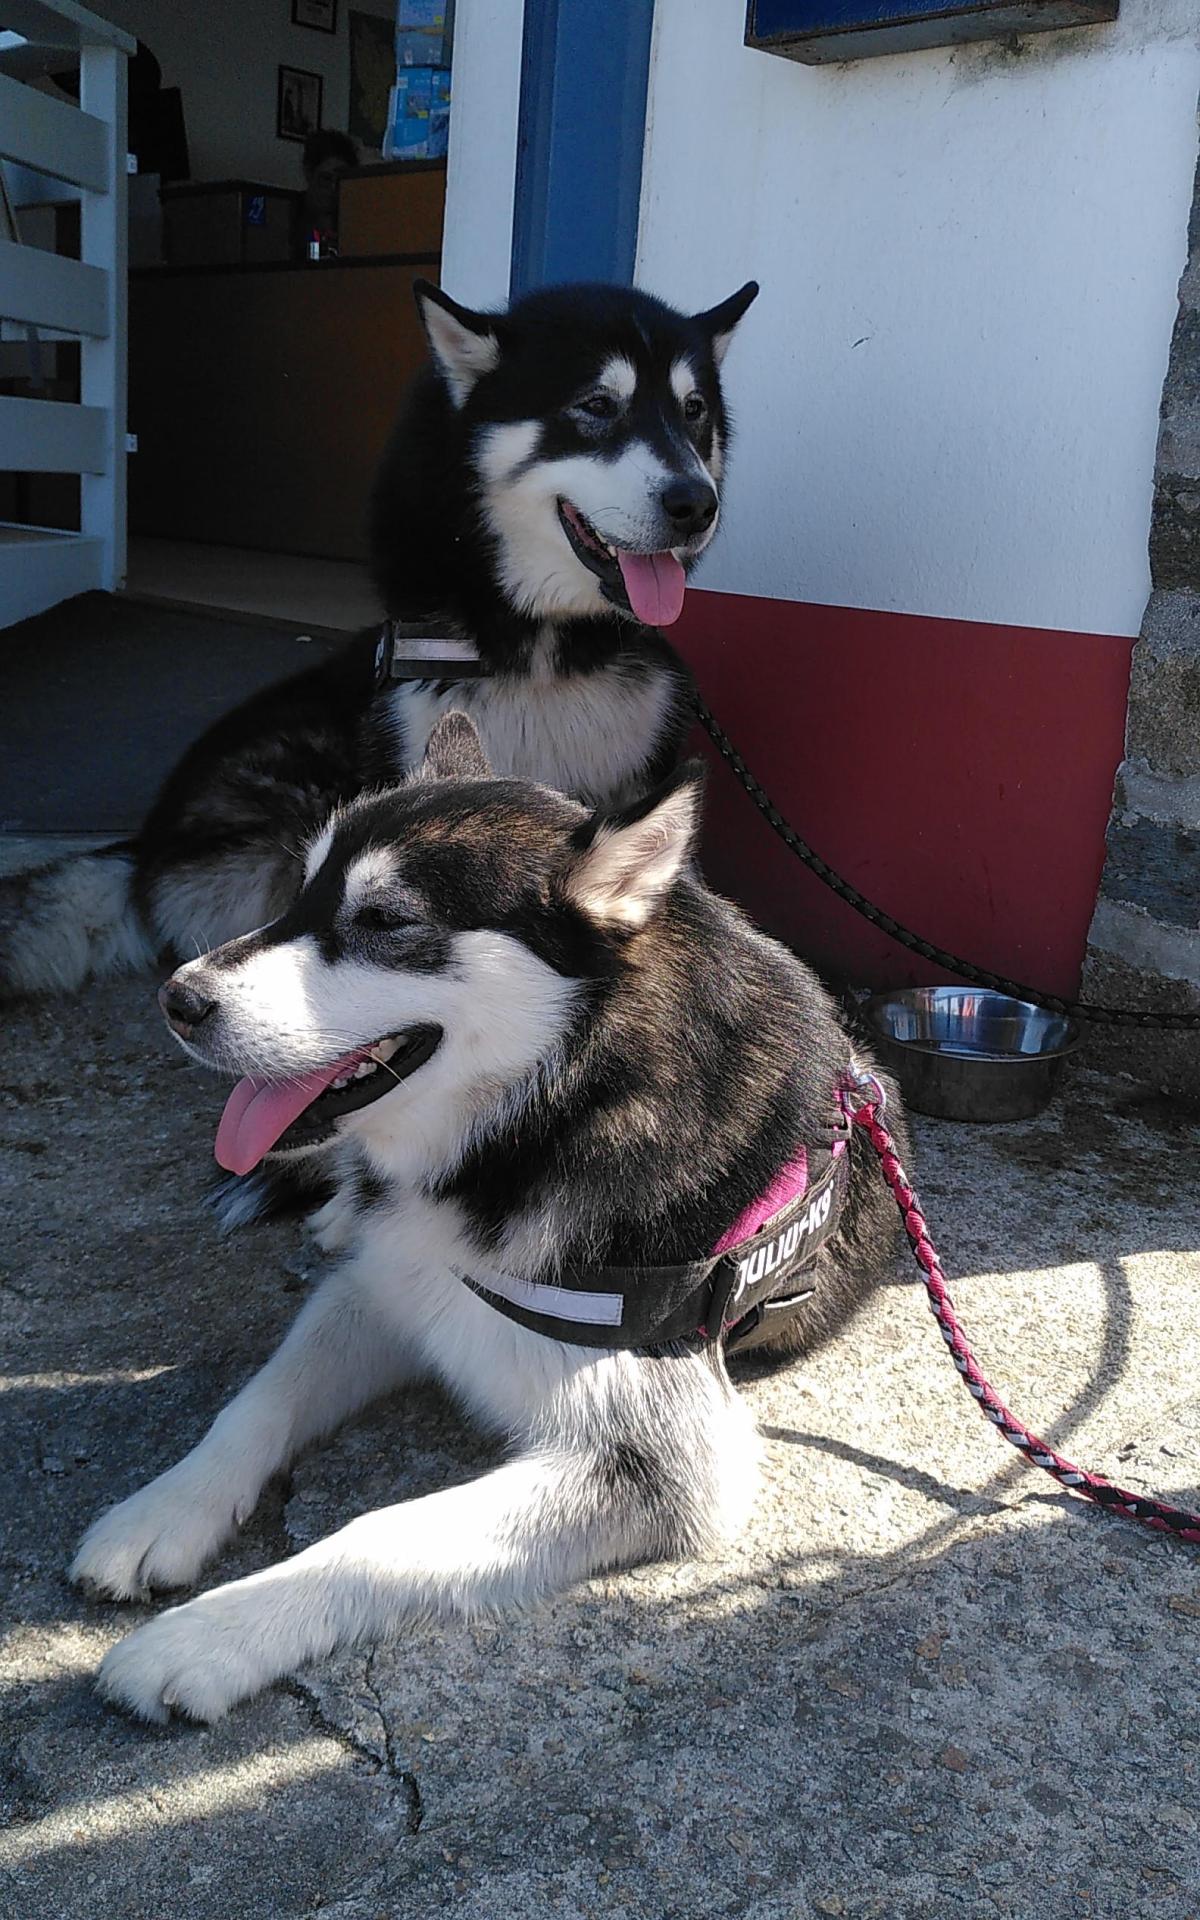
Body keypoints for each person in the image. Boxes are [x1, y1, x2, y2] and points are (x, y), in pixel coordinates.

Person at [298, 128, 358, 257]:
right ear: (309, 173)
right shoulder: (288, 215)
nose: (333, 188)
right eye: (326, 179)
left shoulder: (353, 220)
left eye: (340, 181)